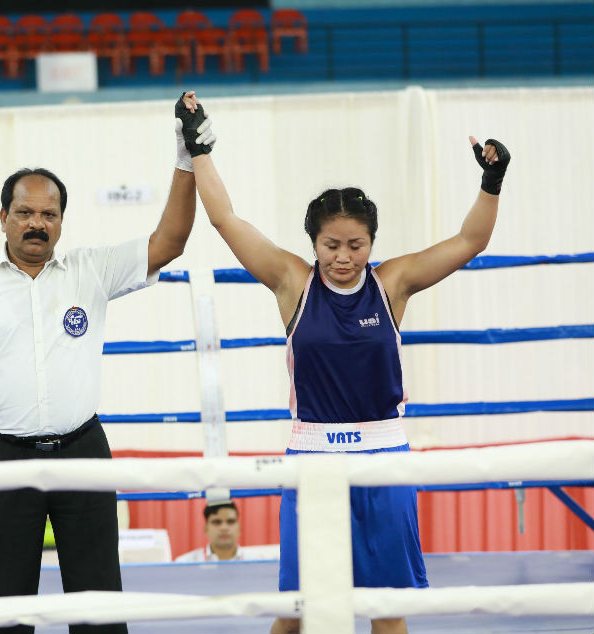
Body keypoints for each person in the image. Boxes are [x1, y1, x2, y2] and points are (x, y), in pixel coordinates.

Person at [0, 91, 216, 634]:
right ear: (3, 217)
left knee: (98, 609)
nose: (36, 224)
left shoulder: (92, 270)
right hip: (5, 457)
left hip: (83, 452)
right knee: (0, 614)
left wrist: (186, 158)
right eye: (25, 213)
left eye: (48, 214)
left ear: (62, 221)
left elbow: (171, 241)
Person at [184, 102, 510, 634]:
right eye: (331, 245)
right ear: (313, 243)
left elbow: (469, 241)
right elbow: (225, 218)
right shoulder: (292, 281)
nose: (343, 257)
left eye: (356, 245)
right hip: (311, 456)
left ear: (372, 243)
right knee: (298, 612)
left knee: (387, 611)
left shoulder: (392, 283)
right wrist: (198, 150)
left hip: (385, 455)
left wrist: (491, 182)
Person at [175, 501, 243, 562]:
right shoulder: (185, 563)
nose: (224, 528)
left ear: (239, 528)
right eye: (217, 522)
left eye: (230, 521)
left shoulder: (252, 559)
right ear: (206, 529)